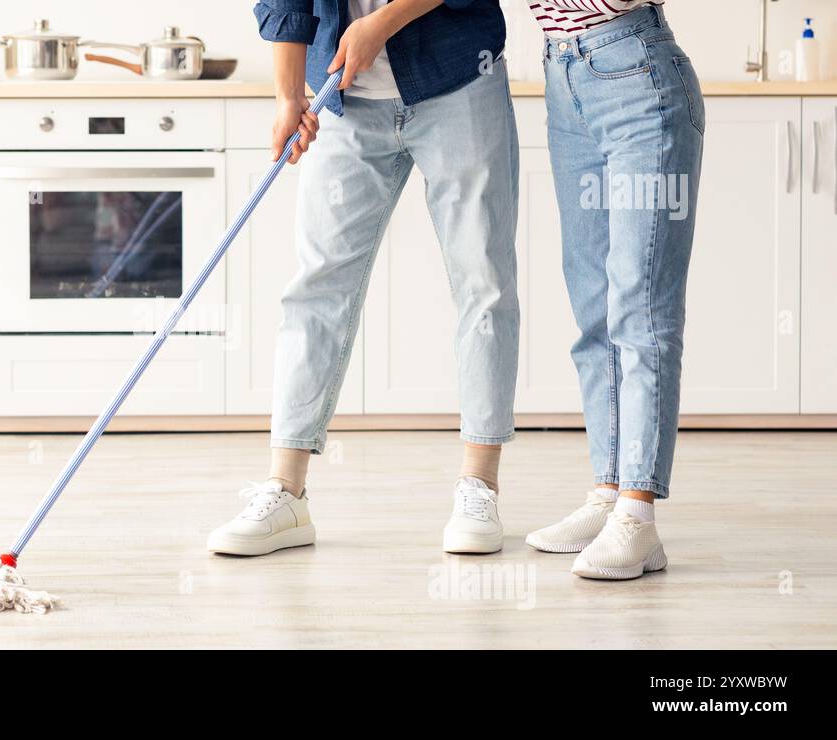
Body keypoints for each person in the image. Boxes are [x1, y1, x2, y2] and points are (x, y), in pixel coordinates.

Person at [207, 0, 521, 557]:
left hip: (458, 83)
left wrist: (382, 22)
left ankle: (480, 484)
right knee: (316, 287)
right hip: (345, 101)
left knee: (483, 281)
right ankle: (286, 490)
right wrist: (288, 96)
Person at [523, 1, 704, 580]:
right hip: (562, 74)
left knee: (641, 305)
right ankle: (608, 490)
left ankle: (637, 515)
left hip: (637, 72)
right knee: (593, 307)